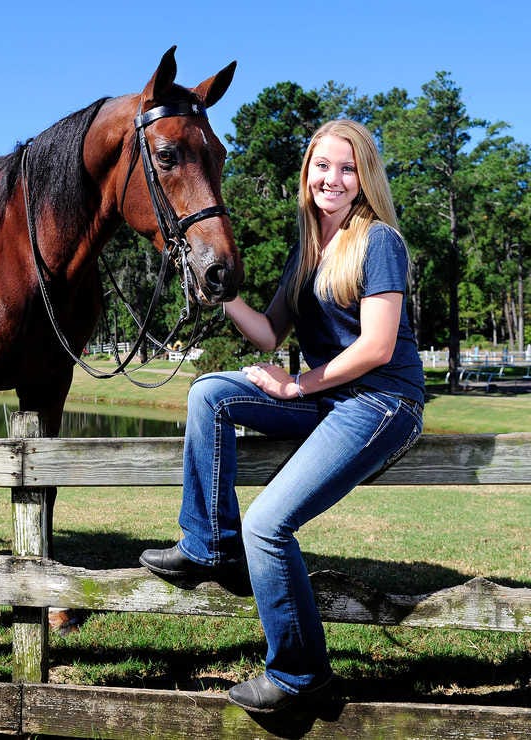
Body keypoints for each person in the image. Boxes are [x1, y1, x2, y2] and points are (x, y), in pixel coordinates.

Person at [139, 119, 425, 713]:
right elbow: (268, 333)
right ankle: (207, 545)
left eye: (348, 168)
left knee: (267, 525)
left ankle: (300, 676)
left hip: (381, 402)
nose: (333, 179)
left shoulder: (379, 243)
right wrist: (223, 296)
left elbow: (375, 347)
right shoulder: (309, 249)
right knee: (209, 394)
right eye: (323, 166)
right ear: (307, 174)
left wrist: (297, 385)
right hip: (329, 398)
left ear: (364, 177)